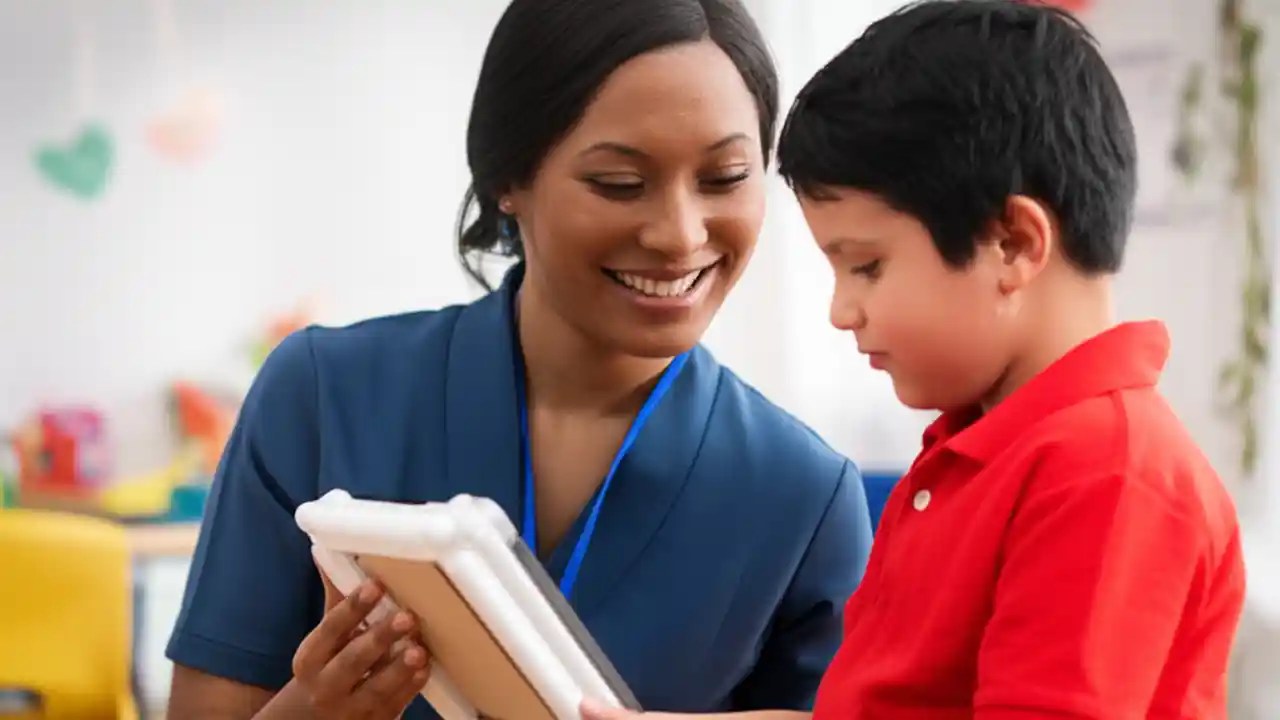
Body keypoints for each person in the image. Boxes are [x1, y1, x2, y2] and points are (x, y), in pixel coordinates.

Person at [164, 1, 875, 718]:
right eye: (620, 184)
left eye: (724, 177)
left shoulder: (804, 498)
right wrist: (312, 711)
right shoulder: (322, 399)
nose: (680, 234)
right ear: (508, 178)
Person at [582, 2, 1247, 720]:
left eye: (866, 266)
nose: (842, 311)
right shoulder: (978, 452)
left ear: (1014, 244)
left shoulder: (1109, 474)